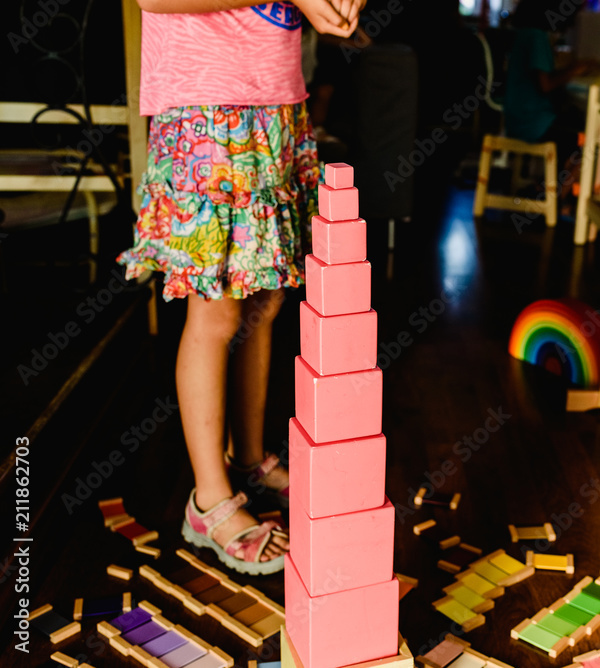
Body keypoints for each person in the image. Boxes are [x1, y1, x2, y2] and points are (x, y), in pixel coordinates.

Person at [117, 0, 362, 575]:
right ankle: (208, 503)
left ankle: (249, 462)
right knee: (217, 315)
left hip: (275, 103)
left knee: (266, 299)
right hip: (207, 110)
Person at [504, 0, 588, 166]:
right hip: (533, 124)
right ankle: (558, 190)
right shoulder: (537, 36)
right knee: (588, 134)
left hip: (518, 120)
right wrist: (574, 70)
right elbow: (546, 85)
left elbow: (541, 77)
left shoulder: (526, 34)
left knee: (578, 122)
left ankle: (547, 186)